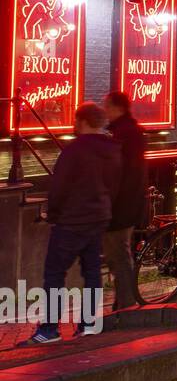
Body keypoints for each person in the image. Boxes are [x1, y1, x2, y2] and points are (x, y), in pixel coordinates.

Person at [19, 103, 121, 346]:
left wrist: (53, 214)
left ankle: (50, 329)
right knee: (92, 271)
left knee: (54, 273)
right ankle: (88, 324)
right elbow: (116, 185)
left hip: (72, 220)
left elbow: (60, 186)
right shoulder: (114, 150)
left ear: (83, 121)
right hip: (98, 217)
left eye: (76, 122)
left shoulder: (75, 150)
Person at [102, 91, 145, 311]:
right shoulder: (127, 131)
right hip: (126, 203)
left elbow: (121, 173)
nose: (105, 111)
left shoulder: (124, 134)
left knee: (117, 254)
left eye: (107, 107)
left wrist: (111, 202)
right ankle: (124, 300)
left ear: (117, 107)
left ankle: (127, 305)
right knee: (118, 253)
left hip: (120, 206)